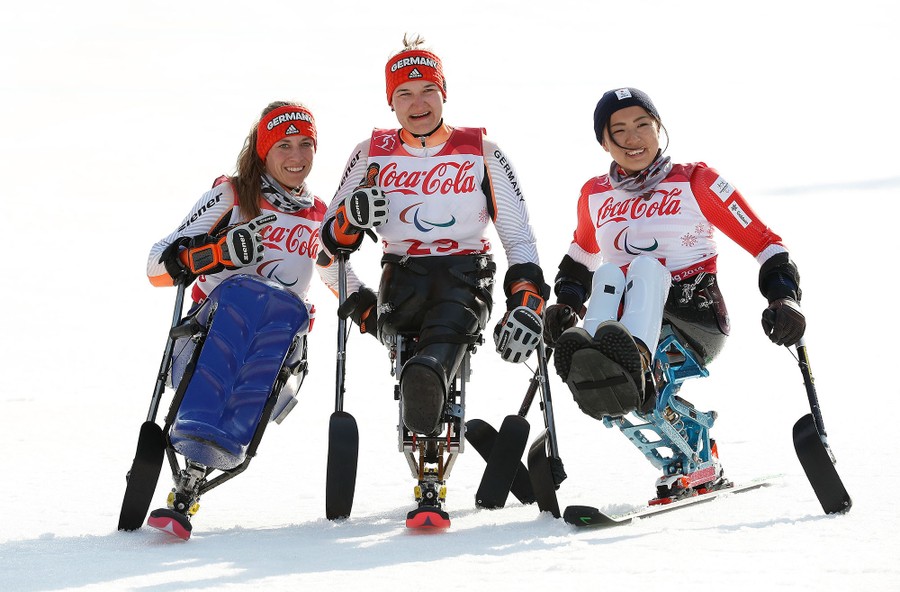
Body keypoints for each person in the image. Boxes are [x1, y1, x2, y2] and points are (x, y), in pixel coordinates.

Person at [316, 34, 549, 526]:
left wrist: (526, 302)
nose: (417, 104)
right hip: (399, 279)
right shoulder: (370, 153)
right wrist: (356, 287)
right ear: (390, 101)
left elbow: (520, 242)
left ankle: (428, 381)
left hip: (467, 275)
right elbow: (326, 251)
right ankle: (424, 382)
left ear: (445, 94)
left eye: (428, 91)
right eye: (404, 93)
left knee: (446, 332)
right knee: (403, 332)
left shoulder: (481, 149)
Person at [543, 87, 806, 501]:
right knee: (611, 271)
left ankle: (635, 360)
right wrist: (567, 302)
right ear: (604, 142)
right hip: (625, 321)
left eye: (643, 125)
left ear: (659, 128)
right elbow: (582, 255)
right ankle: (592, 358)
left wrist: (783, 297)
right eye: (620, 130)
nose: (634, 138)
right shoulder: (594, 194)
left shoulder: (696, 181)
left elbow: (764, 242)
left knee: (646, 268)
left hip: (694, 316)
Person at [144, 101, 327, 538]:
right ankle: (186, 483)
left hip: (275, 341)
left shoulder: (320, 213)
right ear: (263, 150)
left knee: (280, 310)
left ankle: (196, 479)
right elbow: (156, 266)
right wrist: (218, 252)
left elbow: (338, 275)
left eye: (306, 145)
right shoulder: (231, 195)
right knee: (245, 301)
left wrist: (366, 305)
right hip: (212, 331)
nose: (296, 156)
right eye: (284, 145)